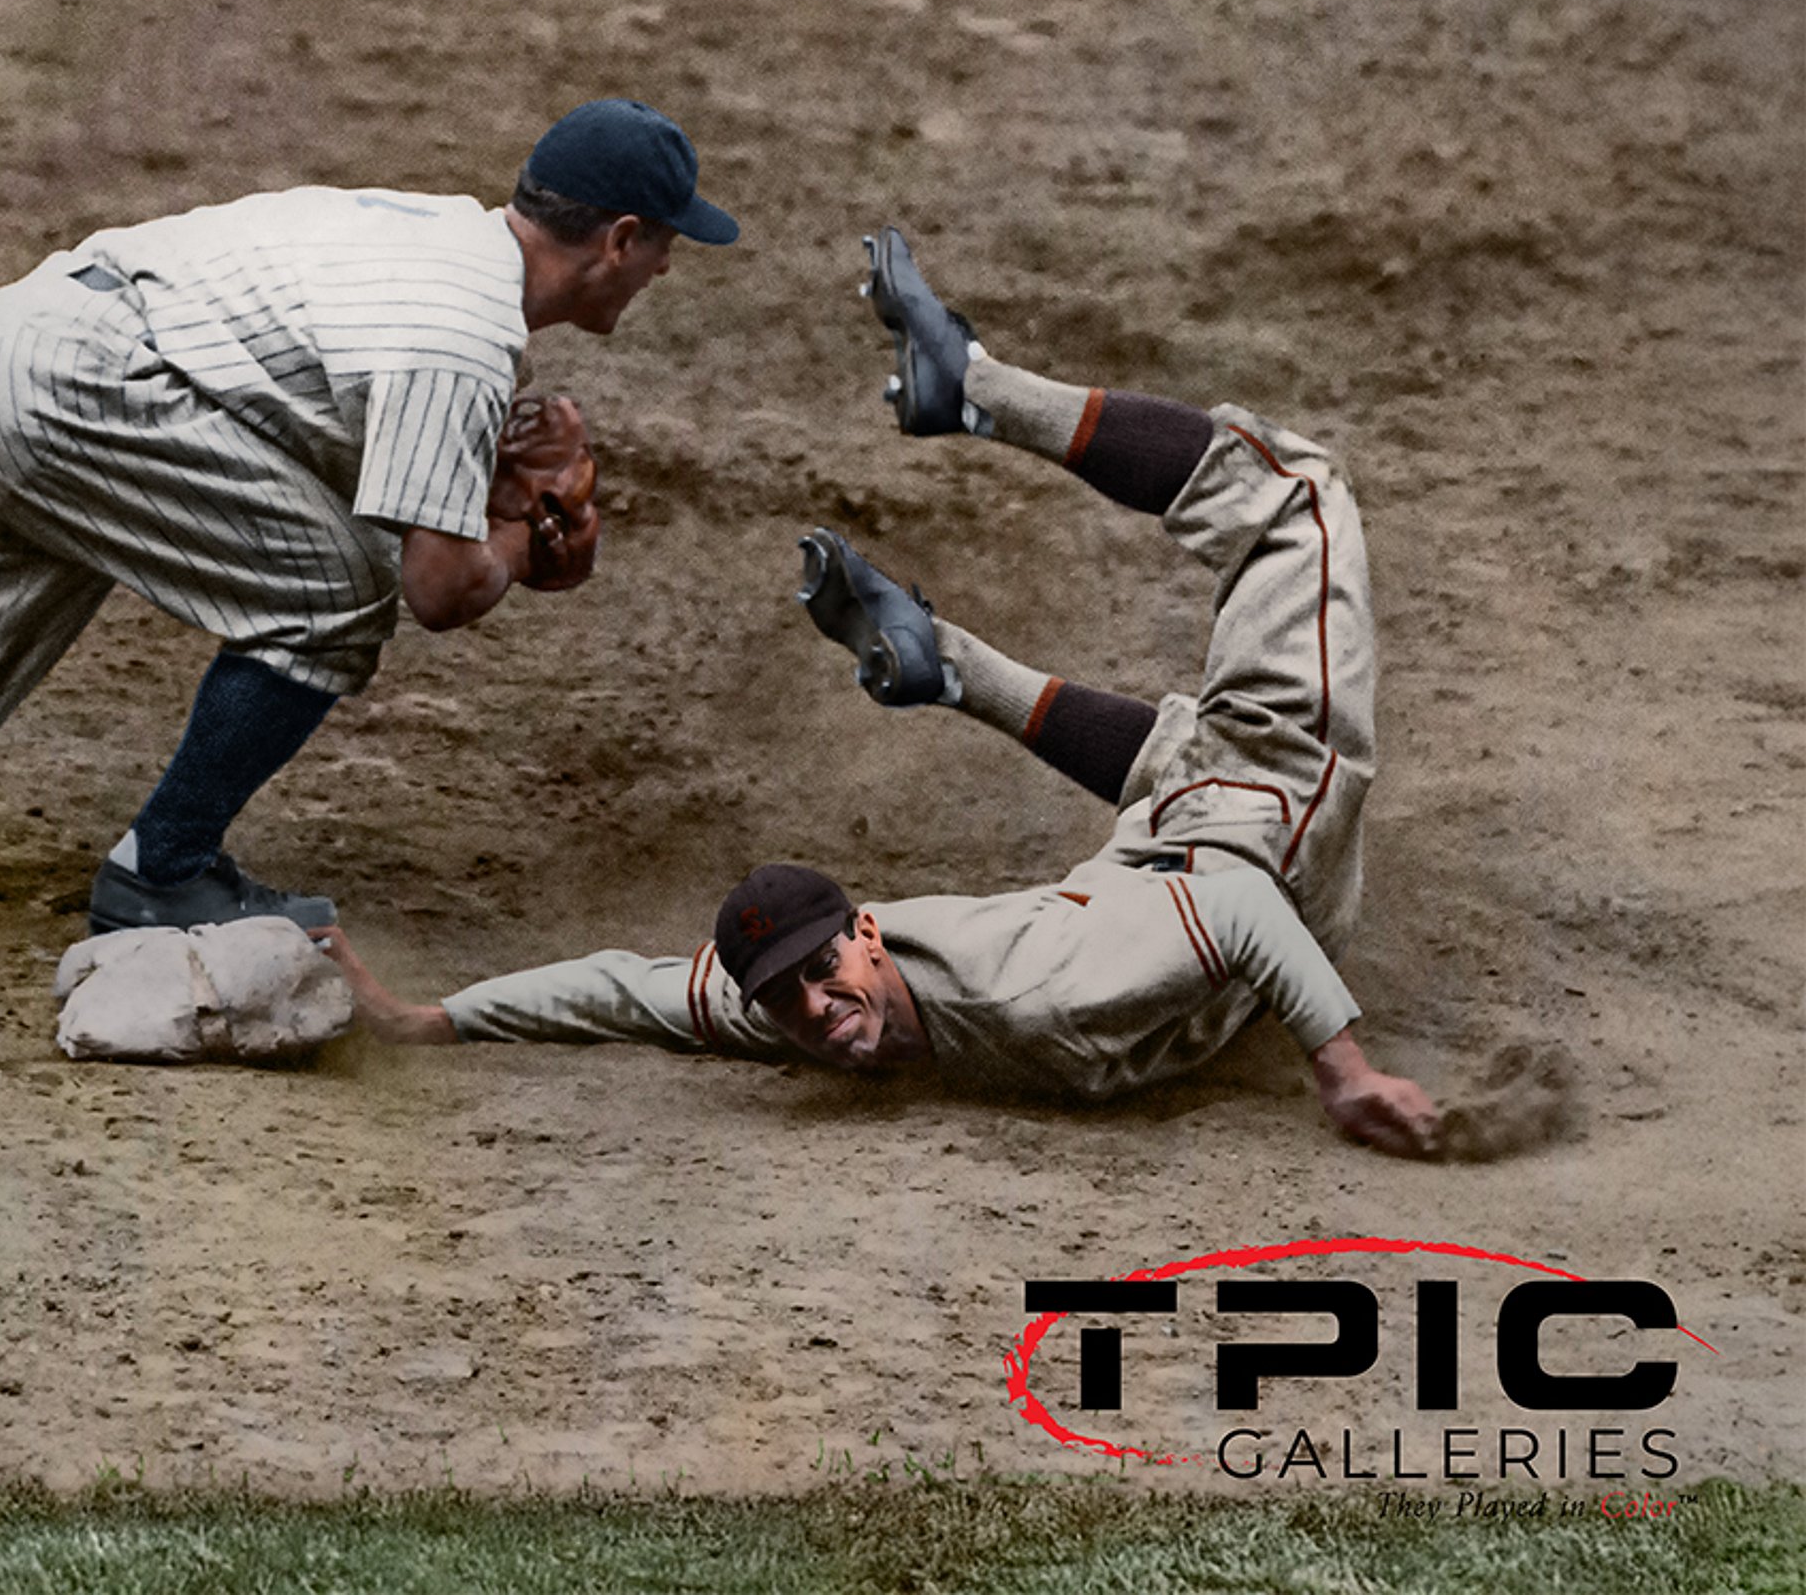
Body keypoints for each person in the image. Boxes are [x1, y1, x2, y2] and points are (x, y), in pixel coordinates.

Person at [0, 100, 740, 980]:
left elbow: (292, 409)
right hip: (83, 388)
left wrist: (492, 506)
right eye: (667, 246)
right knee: (331, 594)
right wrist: (520, 544)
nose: (663, 271)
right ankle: (167, 866)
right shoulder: (465, 335)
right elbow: (431, 587)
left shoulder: (422, 234)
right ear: (621, 239)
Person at [311, 228, 1442, 1156]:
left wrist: (1341, 1073)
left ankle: (980, 394)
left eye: (817, 973)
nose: (810, 1009)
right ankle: (956, 666)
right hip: (1202, 864)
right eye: (783, 997)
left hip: (1246, 856)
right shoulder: (801, 1013)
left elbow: (1242, 913)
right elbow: (623, 988)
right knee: (1194, 748)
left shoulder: (1030, 988)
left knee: (1292, 504)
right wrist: (429, 1020)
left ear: (867, 936)